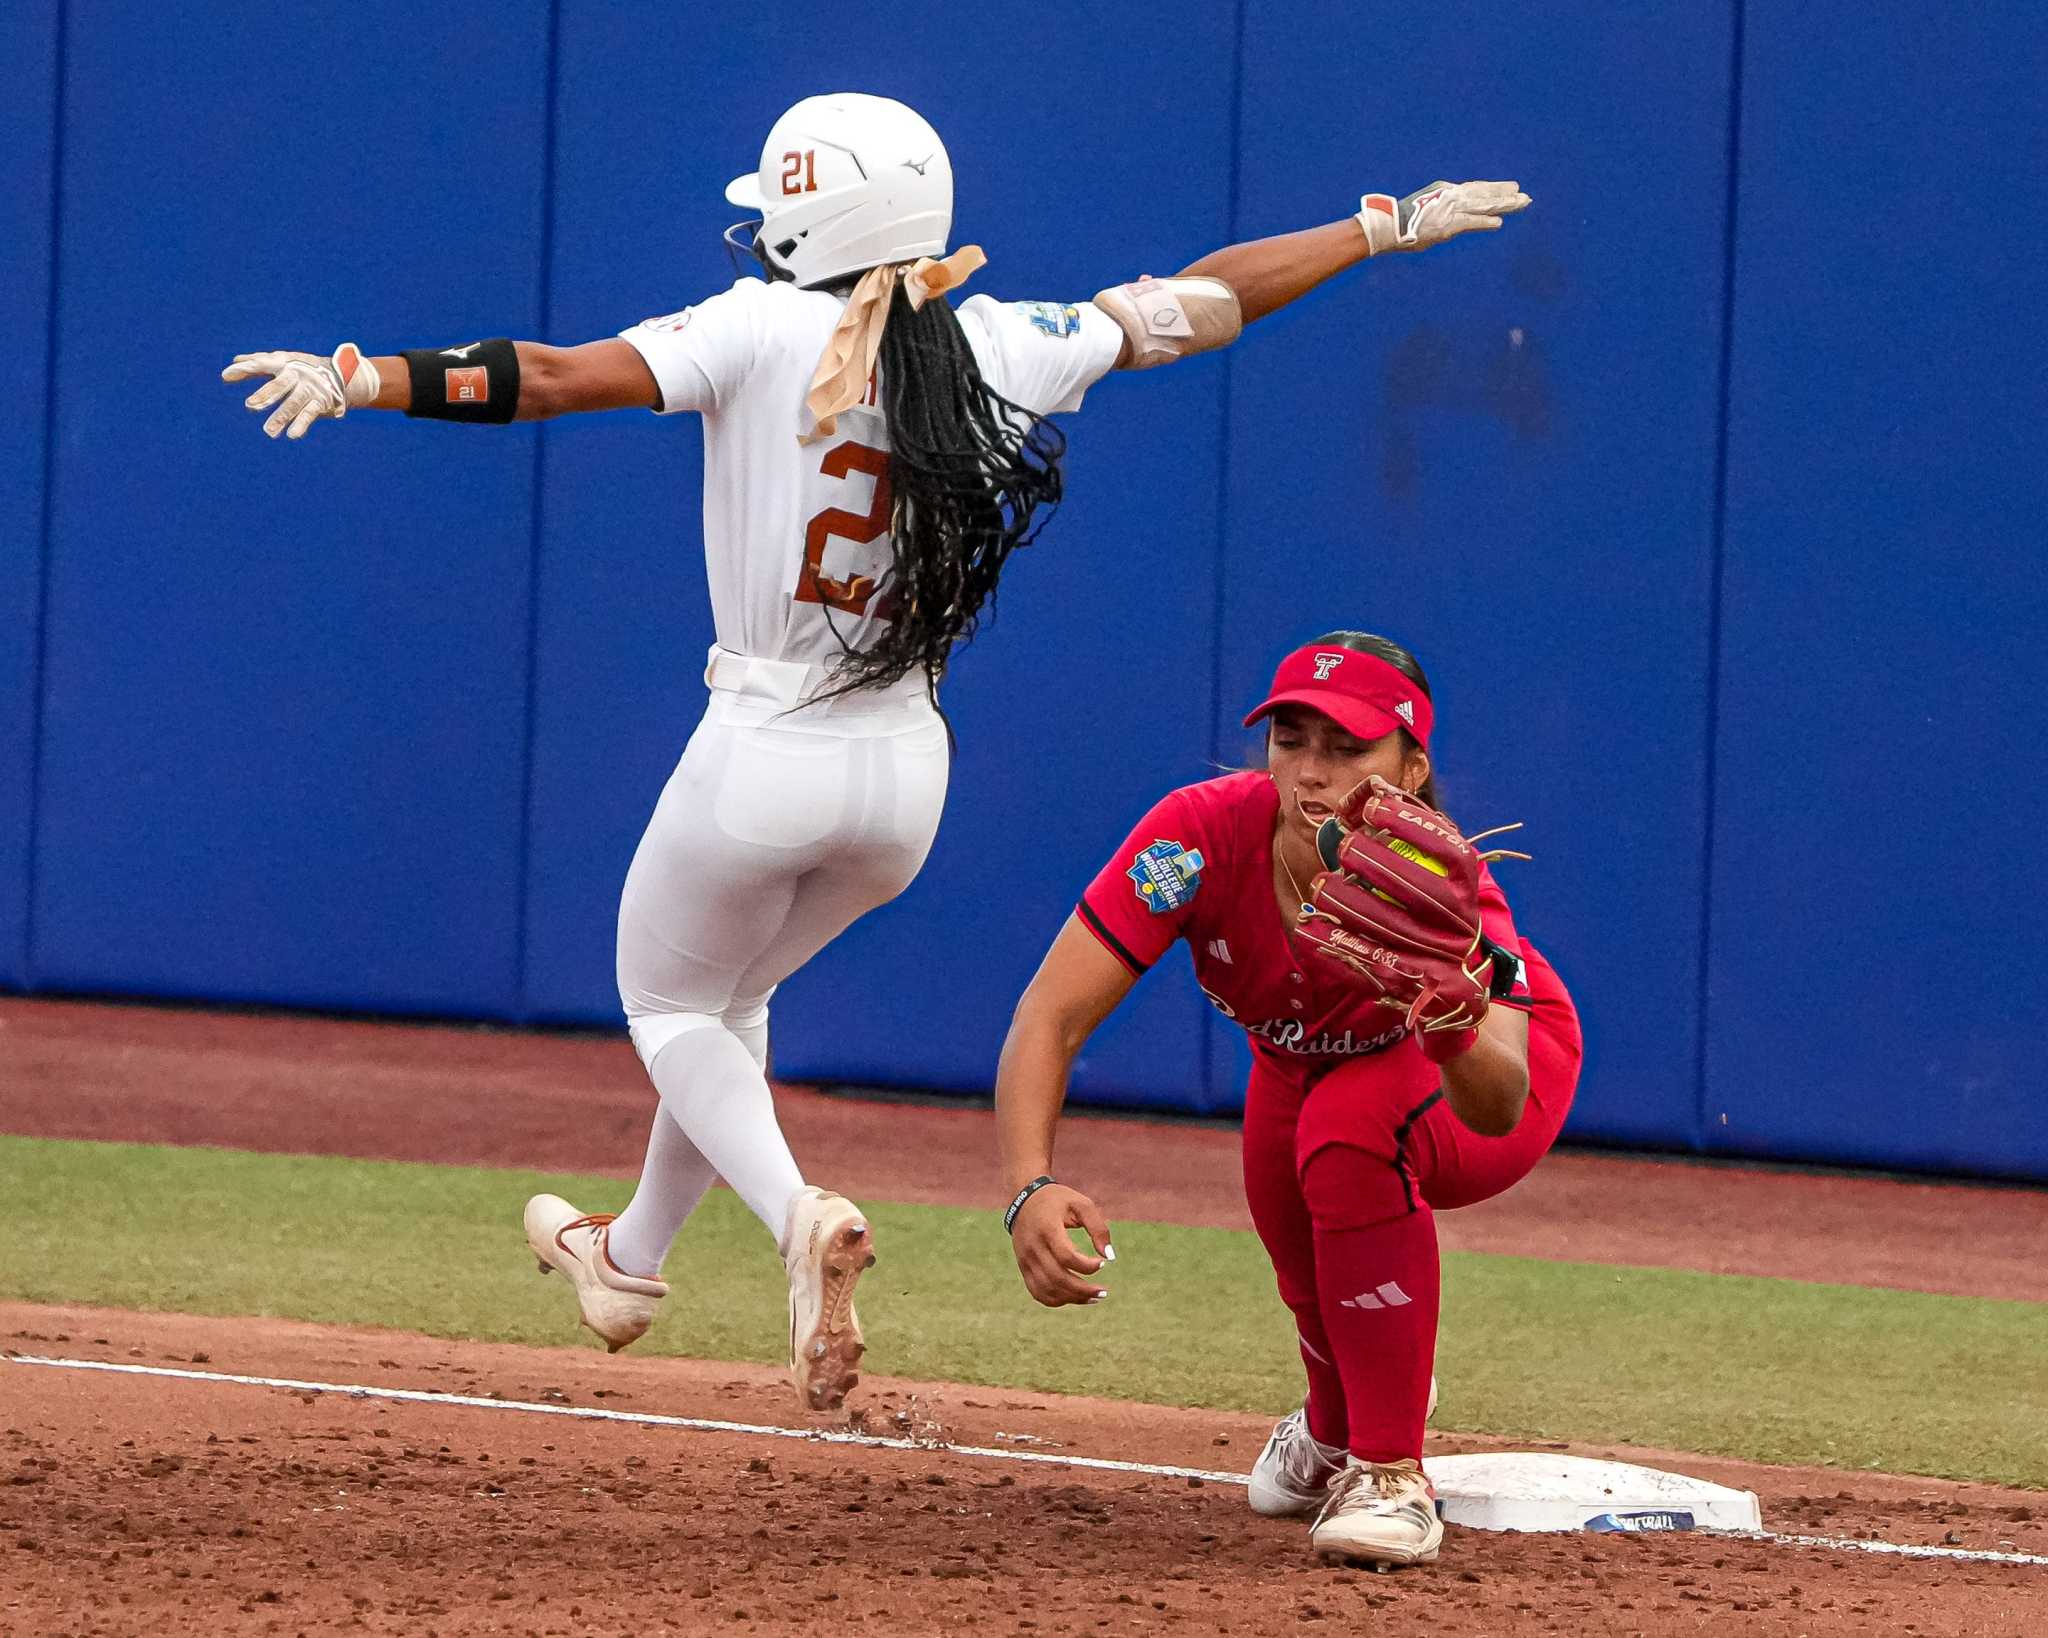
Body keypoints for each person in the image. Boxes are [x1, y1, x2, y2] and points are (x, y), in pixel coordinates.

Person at [220, 91, 1531, 1413]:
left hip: (763, 745)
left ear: (808, 219)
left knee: (670, 1005)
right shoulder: (1008, 341)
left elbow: (555, 377)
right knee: (728, 1005)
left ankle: (797, 1213)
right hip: (905, 776)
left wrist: (364, 377)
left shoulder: (755, 327)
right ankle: (629, 1260)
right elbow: (1203, 302)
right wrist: (1375, 229)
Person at [995, 631, 1581, 1566]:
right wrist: (1028, 1181)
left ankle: (1392, 1476)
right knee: (1284, 1210)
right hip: (1299, 1064)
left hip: (1471, 1070)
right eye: (1291, 739)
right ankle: (1337, 1421)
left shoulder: (1439, 880)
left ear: (1411, 767)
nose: (1311, 773)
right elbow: (1049, 1015)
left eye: (1348, 749)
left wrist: (1451, 1021)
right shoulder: (1193, 841)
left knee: (1348, 1135)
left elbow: (1498, 1104)